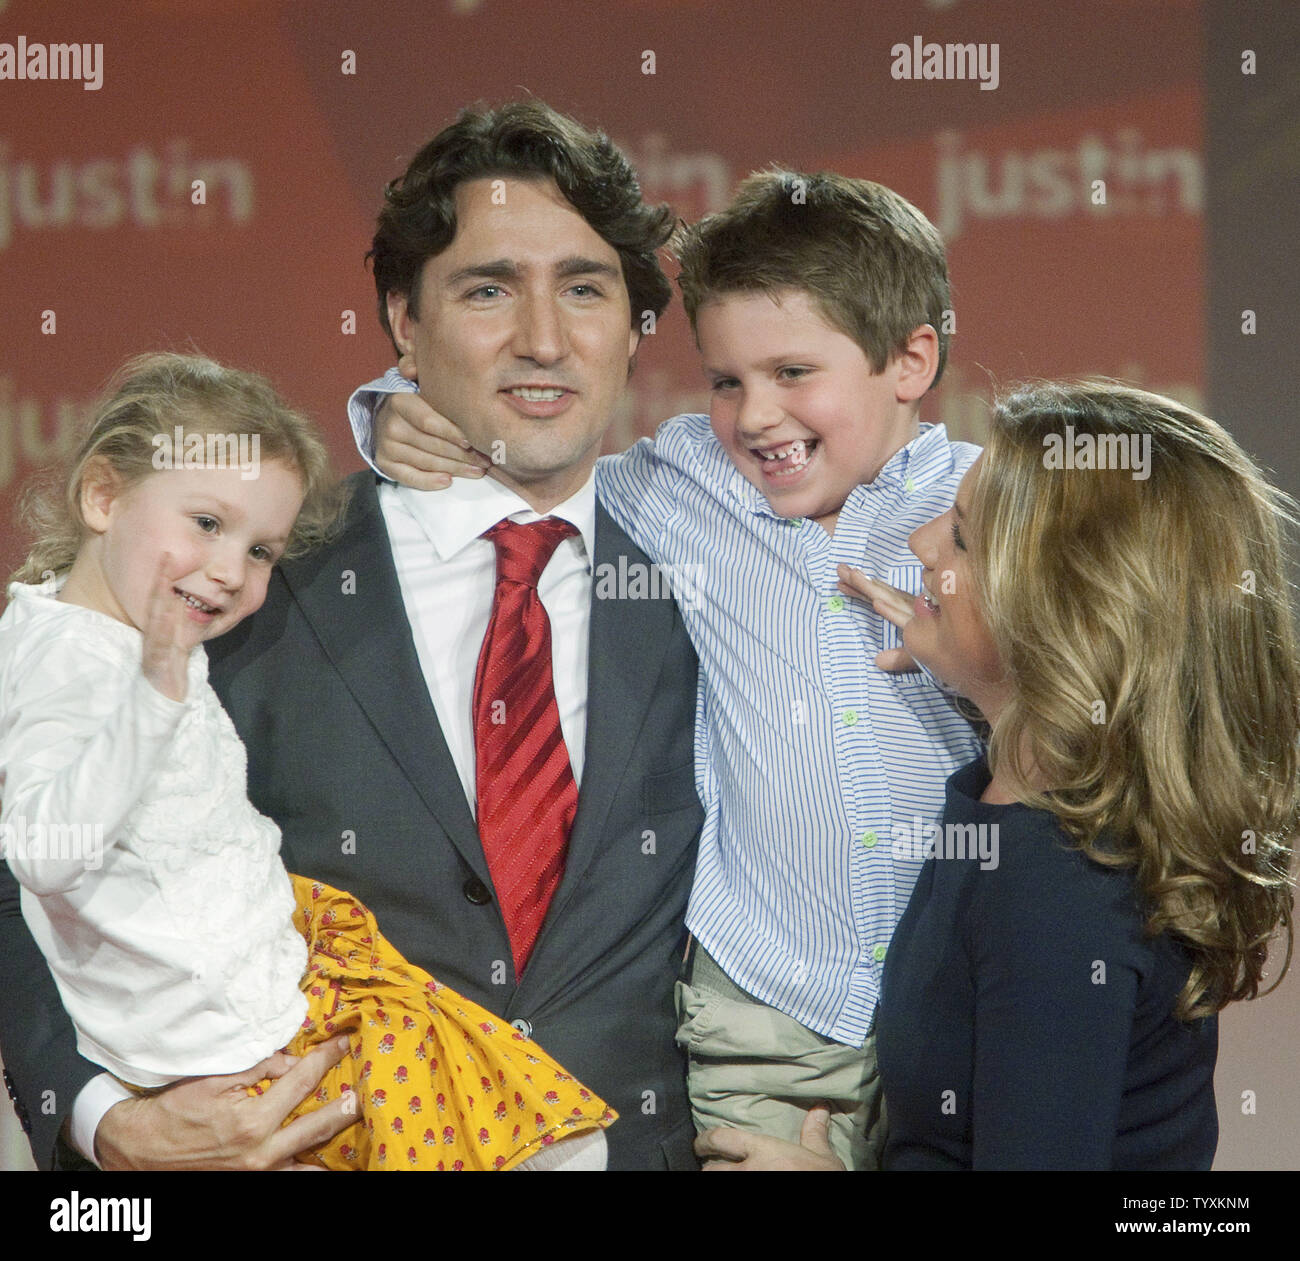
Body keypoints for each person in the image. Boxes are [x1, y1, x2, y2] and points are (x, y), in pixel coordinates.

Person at [0, 102, 704, 1172]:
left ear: (635, 326)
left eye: (585, 288)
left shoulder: (717, 583)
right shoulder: (246, 580)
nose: (545, 340)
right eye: (487, 289)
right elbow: (25, 861)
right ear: (402, 324)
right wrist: (108, 1121)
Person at [351, 169, 985, 1168]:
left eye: (791, 373)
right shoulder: (682, 485)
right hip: (766, 1027)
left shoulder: (984, 507)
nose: (756, 416)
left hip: (963, 998)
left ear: (911, 359)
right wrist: (395, 410)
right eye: (727, 381)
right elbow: (520, 462)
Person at [0, 352, 615, 1171]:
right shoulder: (65, 661)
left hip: (288, 981)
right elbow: (43, 852)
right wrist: (153, 695)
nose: (228, 570)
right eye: (207, 524)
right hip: (233, 1051)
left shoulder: (127, 639)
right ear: (104, 495)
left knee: (552, 1134)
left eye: (261, 550)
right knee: (548, 1144)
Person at [715, 380, 1299, 1169]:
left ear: (1060, 612)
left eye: (962, 538)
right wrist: (961, 659)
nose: (921, 544)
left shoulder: (1059, 891)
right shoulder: (1022, 802)